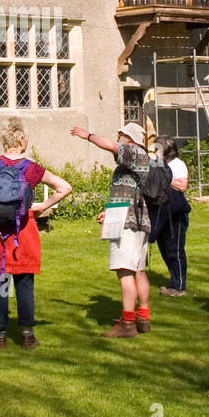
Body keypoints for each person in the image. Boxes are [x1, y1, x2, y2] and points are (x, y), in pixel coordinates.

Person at [0, 118, 71, 349]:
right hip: (23, 233)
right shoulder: (31, 168)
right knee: (25, 285)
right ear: (20, 140)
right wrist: (41, 206)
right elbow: (65, 187)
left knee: (1, 283)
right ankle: (27, 335)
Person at [71, 122, 154, 337]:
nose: (117, 137)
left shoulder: (132, 151)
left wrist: (88, 135)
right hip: (139, 219)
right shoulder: (142, 158)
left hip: (128, 223)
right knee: (138, 269)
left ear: (129, 138)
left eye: (120, 134)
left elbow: (110, 146)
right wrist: (109, 214)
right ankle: (143, 318)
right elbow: (128, 192)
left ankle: (127, 324)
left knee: (125, 271)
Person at [152, 135, 191, 297]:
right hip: (162, 212)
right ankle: (174, 281)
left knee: (175, 249)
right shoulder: (161, 165)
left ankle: (179, 286)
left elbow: (182, 186)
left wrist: (165, 178)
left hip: (175, 213)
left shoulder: (177, 164)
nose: (154, 151)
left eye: (156, 148)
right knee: (165, 248)